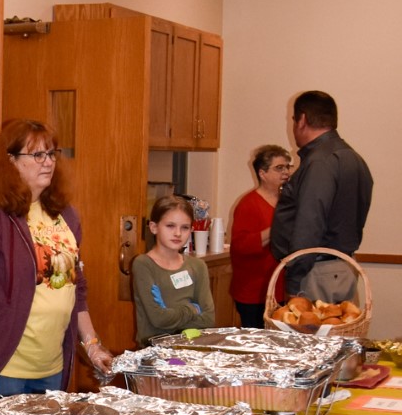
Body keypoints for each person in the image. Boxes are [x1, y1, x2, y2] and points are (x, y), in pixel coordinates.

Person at [0, 119, 112, 403]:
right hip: (1, 369)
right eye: (36, 155)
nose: (48, 162)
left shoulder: (65, 215)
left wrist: (92, 345)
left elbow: (75, 285)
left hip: (50, 368)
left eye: (51, 153)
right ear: (10, 161)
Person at [269, 90, 373, 302]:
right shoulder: (353, 158)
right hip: (343, 267)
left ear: (302, 120)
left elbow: (309, 224)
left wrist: (294, 280)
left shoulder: (319, 162)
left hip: (316, 273)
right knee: (341, 335)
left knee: (309, 336)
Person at [132, 195, 215, 343]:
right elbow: (158, 319)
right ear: (154, 227)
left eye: (185, 227)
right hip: (154, 351)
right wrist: (192, 309)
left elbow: (208, 319)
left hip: (191, 348)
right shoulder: (143, 264)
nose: (178, 233)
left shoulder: (198, 266)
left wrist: (171, 317)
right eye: (170, 226)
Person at [229, 145, 291, 326]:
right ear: (262, 173)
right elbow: (240, 247)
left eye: (288, 166)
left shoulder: (288, 202)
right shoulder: (248, 204)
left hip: (281, 290)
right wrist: (275, 230)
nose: (286, 172)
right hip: (254, 292)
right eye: (279, 168)